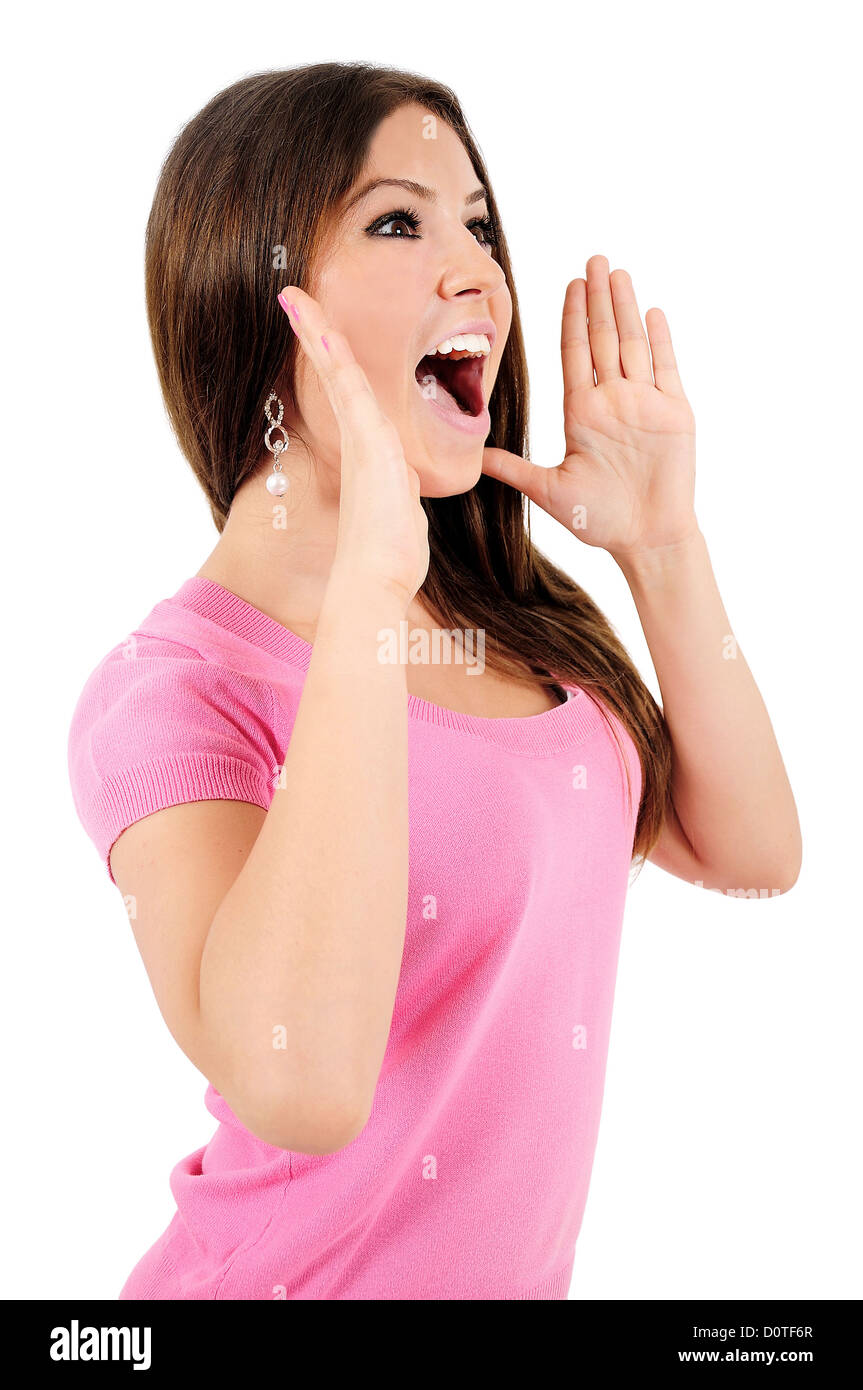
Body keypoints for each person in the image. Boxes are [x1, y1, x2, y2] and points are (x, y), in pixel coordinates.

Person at [67, 62, 801, 1301]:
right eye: (399, 221)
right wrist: (357, 601)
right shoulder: (171, 693)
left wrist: (661, 546)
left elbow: (753, 850)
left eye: (478, 221)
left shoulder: (500, 617)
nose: (478, 270)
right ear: (256, 293)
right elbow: (302, 1085)